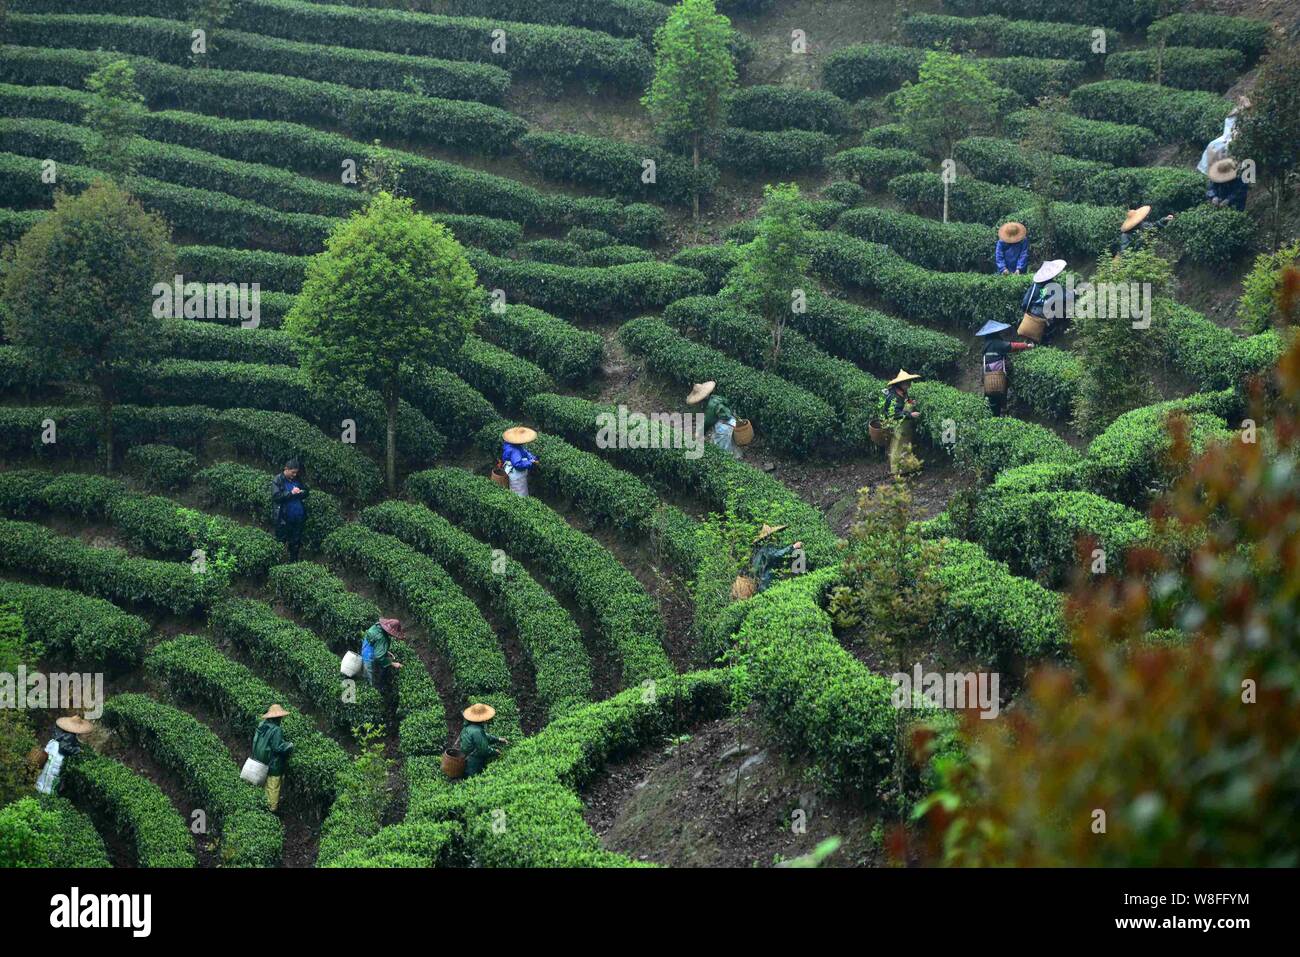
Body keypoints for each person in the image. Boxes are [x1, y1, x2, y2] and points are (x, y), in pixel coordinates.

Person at [976, 319, 1034, 416]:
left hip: (986, 374)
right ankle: (1001, 410)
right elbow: (1012, 346)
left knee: (990, 397)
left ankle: (989, 413)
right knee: (1002, 389)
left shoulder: (986, 345)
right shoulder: (997, 343)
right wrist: (1026, 345)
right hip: (998, 374)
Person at [877, 370, 922, 477]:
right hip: (898, 426)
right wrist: (911, 415)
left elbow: (905, 401)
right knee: (897, 447)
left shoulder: (902, 392)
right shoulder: (893, 396)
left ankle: (906, 468)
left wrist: (911, 402)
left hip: (905, 426)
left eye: (909, 382)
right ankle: (896, 471)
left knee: (906, 446)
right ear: (900, 384)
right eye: (907, 383)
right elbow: (895, 413)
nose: (909, 385)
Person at [35, 715, 94, 795]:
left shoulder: (56, 736)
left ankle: (41, 791)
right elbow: (65, 748)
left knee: (45, 777)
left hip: (50, 758)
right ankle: (46, 795)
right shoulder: (69, 738)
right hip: (57, 763)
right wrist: (78, 750)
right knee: (52, 780)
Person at [251, 704, 294, 813]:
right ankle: (271, 810)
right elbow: (277, 747)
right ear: (278, 718)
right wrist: (289, 745)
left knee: (263, 784)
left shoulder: (262, 725)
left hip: (260, 761)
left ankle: (262, 805)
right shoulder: (276, 730)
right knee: (273, 787)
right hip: (273, 764)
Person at [1018, 259, 1068, 341]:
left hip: (1033, 311)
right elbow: (1065, 296)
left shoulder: (1035, 286)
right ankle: (1049, 337)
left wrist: (1026, 312)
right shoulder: (1055, 286)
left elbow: (1025, 302)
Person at [687, 380, 739, 457]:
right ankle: (737, 458)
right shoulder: (716, 398)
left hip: (724, 427)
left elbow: (708, 421)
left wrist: (700, 433)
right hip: (732, 422)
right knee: (731, 444)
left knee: (721, 451)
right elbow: (727, 403)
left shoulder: (711, 406)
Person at [270, 458, 308, 562]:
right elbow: (276, 496)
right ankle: (277, 562)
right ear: (286, 469)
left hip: (298, 517)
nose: (294, 475)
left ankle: (293, 563)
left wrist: (301, 492)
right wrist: (291, 493)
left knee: (295, 543)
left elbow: (306, 491)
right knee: (280, 542)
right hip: (284, 519)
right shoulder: (277, 480)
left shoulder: (297, 479)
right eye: (293, 472)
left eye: (296, 472)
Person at [749, 524, 804, 593]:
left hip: (763, 579)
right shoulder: (767, 547)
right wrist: (793, 547)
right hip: (765, 581)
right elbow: (777, 555)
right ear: (770, 537)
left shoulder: (765, 547)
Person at [458, 702, 508, 778]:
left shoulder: (468, 727)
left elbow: (484, 736)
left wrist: (498, 739)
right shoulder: (477, 731)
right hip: (473, 761)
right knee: (473, 779)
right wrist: (495, 752)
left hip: (466, 757)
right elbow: (483, 749)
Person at [361, 618, 403, 694]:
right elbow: (379, 657)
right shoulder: (384, 639)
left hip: (365, 646)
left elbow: (375, 641)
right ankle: (372, 693)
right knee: (370, 678)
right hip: (369, 655)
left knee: (366, 671)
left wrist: (385, 651)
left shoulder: (376, 626)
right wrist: (394, 664)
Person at [500, 426, 539, 497]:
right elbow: (518, 464)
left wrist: (532, 457)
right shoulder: (515, 451)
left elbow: (525, 452)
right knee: (520, 493)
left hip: (511, 470)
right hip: (516, 475)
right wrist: (530, 462)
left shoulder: (511, 445)